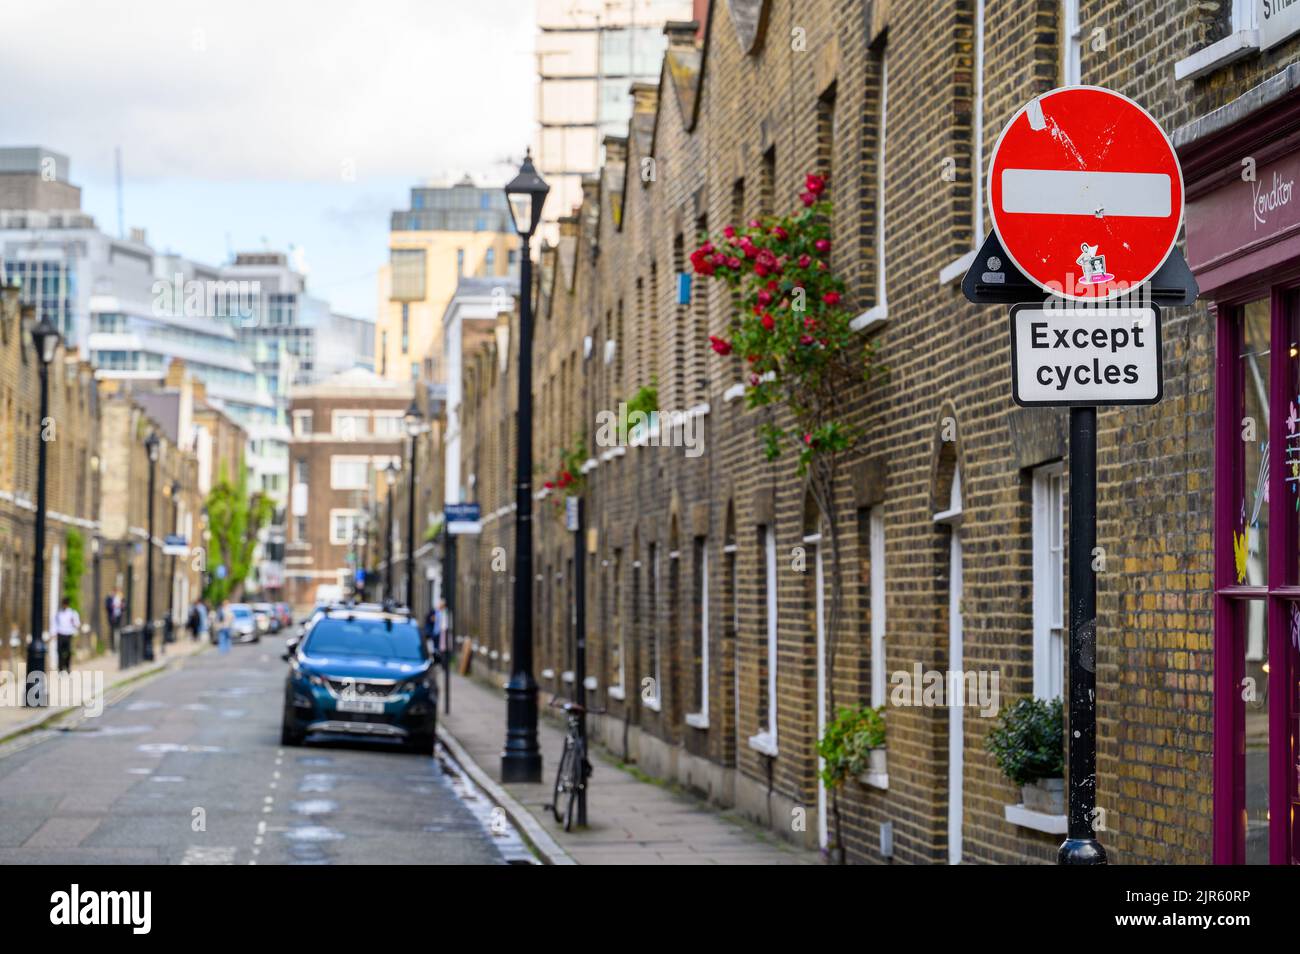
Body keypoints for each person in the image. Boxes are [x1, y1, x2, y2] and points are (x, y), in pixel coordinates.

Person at [54, 598, 80, 673]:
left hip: (68, 634)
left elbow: (77, 624)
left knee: (68, 651)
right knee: (59, 651)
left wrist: (74, 623)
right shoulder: (59, 613)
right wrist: (54, 633)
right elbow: (55, 624)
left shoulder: (72, 613)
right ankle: (60, 668)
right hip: (60, 634)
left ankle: (67, 667)